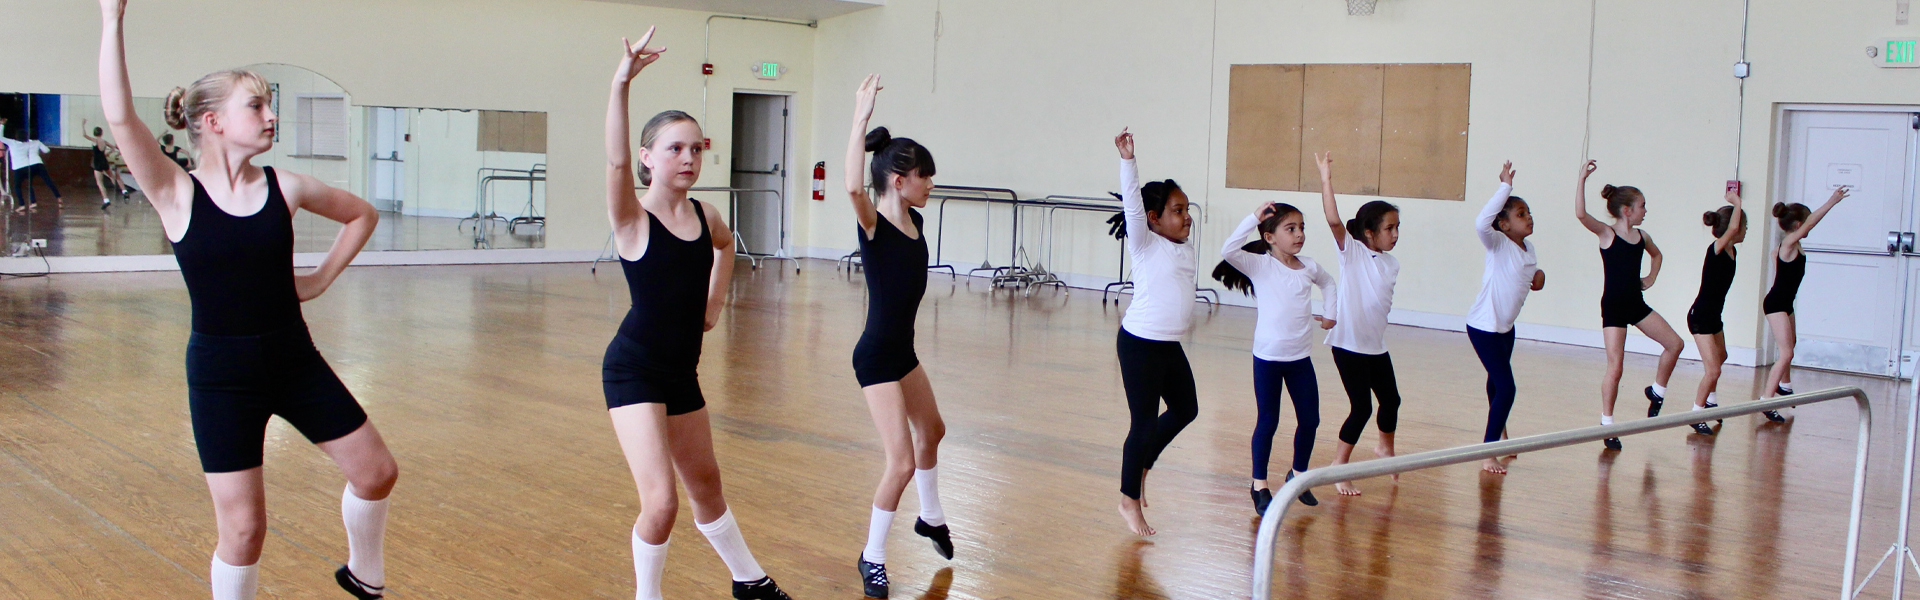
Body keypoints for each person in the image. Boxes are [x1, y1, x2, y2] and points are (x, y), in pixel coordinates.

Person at [100, 1, 396, 598]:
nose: (271, 116)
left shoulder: (285, 186)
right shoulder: (175, 192)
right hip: (221, 375)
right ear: (211, 122)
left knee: (377, 472)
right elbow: (120, 116)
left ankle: (365, 574)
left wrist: (318, 280)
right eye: (256, 105)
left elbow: (361, 215)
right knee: (244, 531)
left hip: (294, 359)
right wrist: (112, 21)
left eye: (269, 104)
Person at [602, 28, 793, 600]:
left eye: (695, 148)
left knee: (706, 486)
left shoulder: (705, 214)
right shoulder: (632, 219)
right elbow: (612, 161)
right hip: (633, 371)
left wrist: (713, 307)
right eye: (674, 148)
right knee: (660, 502)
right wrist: (621, 82)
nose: (688, 158)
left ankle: (748, 580)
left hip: (681, 371)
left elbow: (727, 246)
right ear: (647, 158)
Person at [844, 74, 953, 600]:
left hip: (903, 354)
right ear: (899, 179)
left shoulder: (916, 225)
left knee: (933, 430)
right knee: (902, 461)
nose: (931, 185)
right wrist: (860, 116)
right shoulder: (874, 226)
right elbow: (850, 187)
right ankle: (872, 556)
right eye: (925, 177)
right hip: (876, 359)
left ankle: (930, 518)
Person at [1214, 199, 1337, 512]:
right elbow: (1229, 250)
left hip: (1300, 360)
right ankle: (1259, 485)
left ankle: (1297, 475)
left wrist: (1330, 313)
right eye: (1290, 229)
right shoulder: (1261, 265)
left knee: (1310, 419)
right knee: (1268, 421)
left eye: (1301, 228)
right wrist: (1252, 216)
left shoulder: (1309, 266)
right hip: (1268, 359)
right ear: (1270, 237)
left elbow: (1329, 282)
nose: (1299, 235)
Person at [1111, 128, 1197, 536]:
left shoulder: (1185, 247)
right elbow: (1132, 204)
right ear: (1154, 219)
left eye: (1186, 209)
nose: (1186, 217)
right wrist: (1129, 160)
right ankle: (1129, 499)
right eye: (1177, 210)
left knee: (1187, 409)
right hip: (1141, 344)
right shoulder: (1144, 244)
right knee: (1142, 424)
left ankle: (1144, 464)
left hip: (1168, 346)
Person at [1574, 160, 1685, 450]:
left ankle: (1657, 391)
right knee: (1616, 367)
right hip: (1613, 307)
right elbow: (1581, 214)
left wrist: (1650, 277)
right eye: (1642, 206)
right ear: (1627, 210)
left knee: (1675, 344)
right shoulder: (1607, 234)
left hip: (1636, 303)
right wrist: (1582, 179)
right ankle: (1607, 424)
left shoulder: (1642, 237)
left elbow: (1657, 256)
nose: (1645, 211)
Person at [1313, 152, 1403, 497]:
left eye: (1397, 228)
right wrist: (1326, 179)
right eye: (1389, 228)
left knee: (1391, 400)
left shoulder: (1391, 263)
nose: (1395, 234)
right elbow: (1334, 220)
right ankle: (1339, 467)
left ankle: (1384, 448)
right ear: (1368, 233)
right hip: (1348, 344)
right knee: (1362, 407)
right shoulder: (1351, 252)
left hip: (1375, 345)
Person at [1468, 162, 1544, 475]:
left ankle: (1499, 434)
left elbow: (1532, 280)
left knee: (1495, 383)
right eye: (1521, 213)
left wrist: (1539, 277)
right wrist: (1504, 188)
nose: (1528, 218)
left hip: (1506, 328)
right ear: (1504, 224)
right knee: (1507, 387)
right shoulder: (1497, 243)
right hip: (1483, 327)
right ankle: (1488, 452)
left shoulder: (1529, 248)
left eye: (1528, 212)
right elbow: (1480, 223)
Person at [1759, 185, 1850, 422]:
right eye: (1806, 222)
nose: (1809, 226)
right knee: (1786, 352)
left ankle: (1785, 386)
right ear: (1798, 225)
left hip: (1784, 302)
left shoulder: (1785, 248)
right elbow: (1810, 224)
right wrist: (1832, 201)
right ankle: (1766, 401)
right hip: (1776, 304)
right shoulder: (1788, 244)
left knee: (1792, 345)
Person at [1684, 188, 1745, 435]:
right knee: (1713, 369)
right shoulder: (1717, 248)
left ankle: (1710, 401)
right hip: (1699, 316)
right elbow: (1731, 230)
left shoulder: (1732, 251)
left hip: (1713, 316)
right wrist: (1737, 202)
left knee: (1722, 357)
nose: (1745, 230)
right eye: (1744, 225)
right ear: (1734, 227)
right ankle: (1696, 413)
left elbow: (1733, 231)